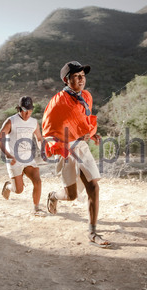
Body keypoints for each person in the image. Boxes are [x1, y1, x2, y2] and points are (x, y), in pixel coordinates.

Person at [42, 61, 111, 248]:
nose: (82, 79)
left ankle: (92, 231)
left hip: (81, 146)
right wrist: (59, 148)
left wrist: (93, 133)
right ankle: (54, 195)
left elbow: (84, 119)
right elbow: (47, 132)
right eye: (77, 76)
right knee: (71, 195)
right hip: (65, 148)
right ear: (66, 80)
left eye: (83, 75)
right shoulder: (57, 102)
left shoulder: (86, 96)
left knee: (93, 186)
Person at [0, 96, 43, 214]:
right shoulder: (11, 121)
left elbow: (39, 138)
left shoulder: (33, 122)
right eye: (24, 110)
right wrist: (7, 155)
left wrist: (43, 149)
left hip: (28, 158)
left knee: (37, 181)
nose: (27, 114)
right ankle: (8, 186)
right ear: (19, 109)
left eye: (29, 110)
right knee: (18, 190)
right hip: (14, 159)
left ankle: (36, 208)